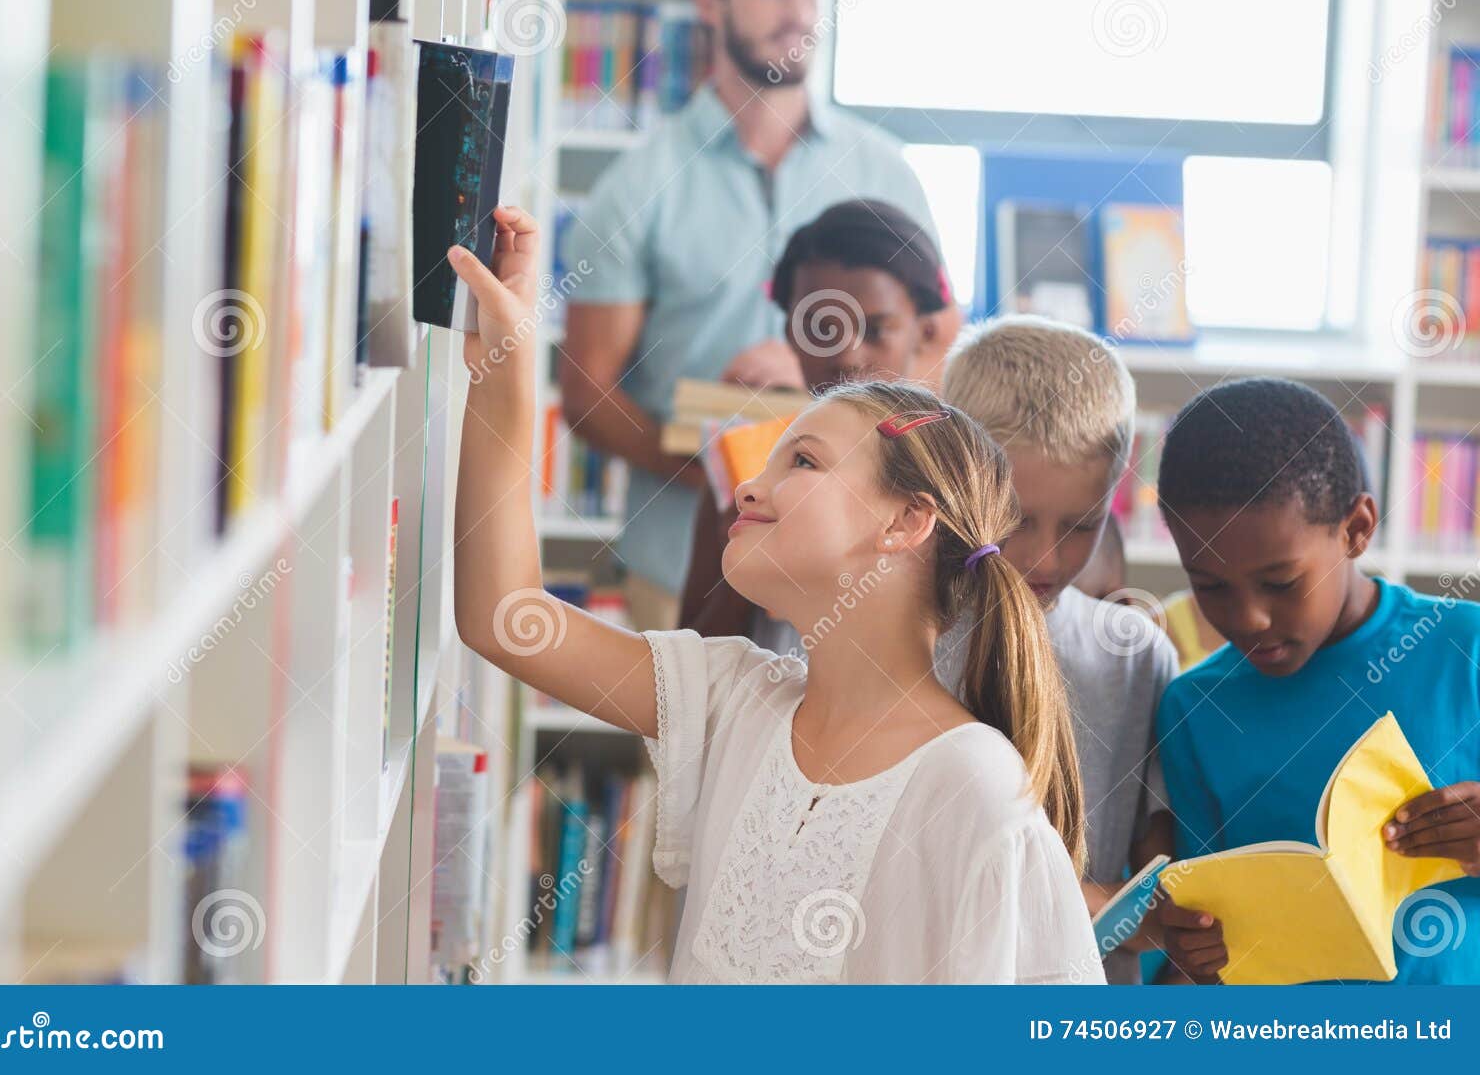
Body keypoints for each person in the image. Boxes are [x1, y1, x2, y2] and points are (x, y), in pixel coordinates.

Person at [448, 208, 1101, 983]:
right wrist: (510, 371)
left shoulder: (975, 785)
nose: (752, 483)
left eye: (803, 460)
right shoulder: (733, 697)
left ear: (906, 521)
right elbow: (504, 620)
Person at [559, 0, 937, 631]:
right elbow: (586, 393)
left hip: (861, 570)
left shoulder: (887, 174)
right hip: (677, 567)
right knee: (684, 746)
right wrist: (726, 459)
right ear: (709, 1)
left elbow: (940, 351)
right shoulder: (635, 184)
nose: (799, 13)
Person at [1152, 377, 1480, 984]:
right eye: (1211, 587)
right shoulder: (1195, 708)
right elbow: (1194, 934)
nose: (1247, 618)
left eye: (1280, 582)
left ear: (1357, 528)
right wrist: (1191, 951)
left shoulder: (1466, 648)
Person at [939, 316, 1180, 983]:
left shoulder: (1136, 657)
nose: (1045, 558)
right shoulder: (887, 635)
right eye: (1015, 518)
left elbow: (1156, 876)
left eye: (1080, 525)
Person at [678, 198, 960, 648]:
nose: (846, 354)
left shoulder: (959, 472)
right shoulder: (745, 467)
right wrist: (743, 556)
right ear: (790, 331)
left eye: (874, 330)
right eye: (821, 326)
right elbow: (691, 652)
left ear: (923, 332)